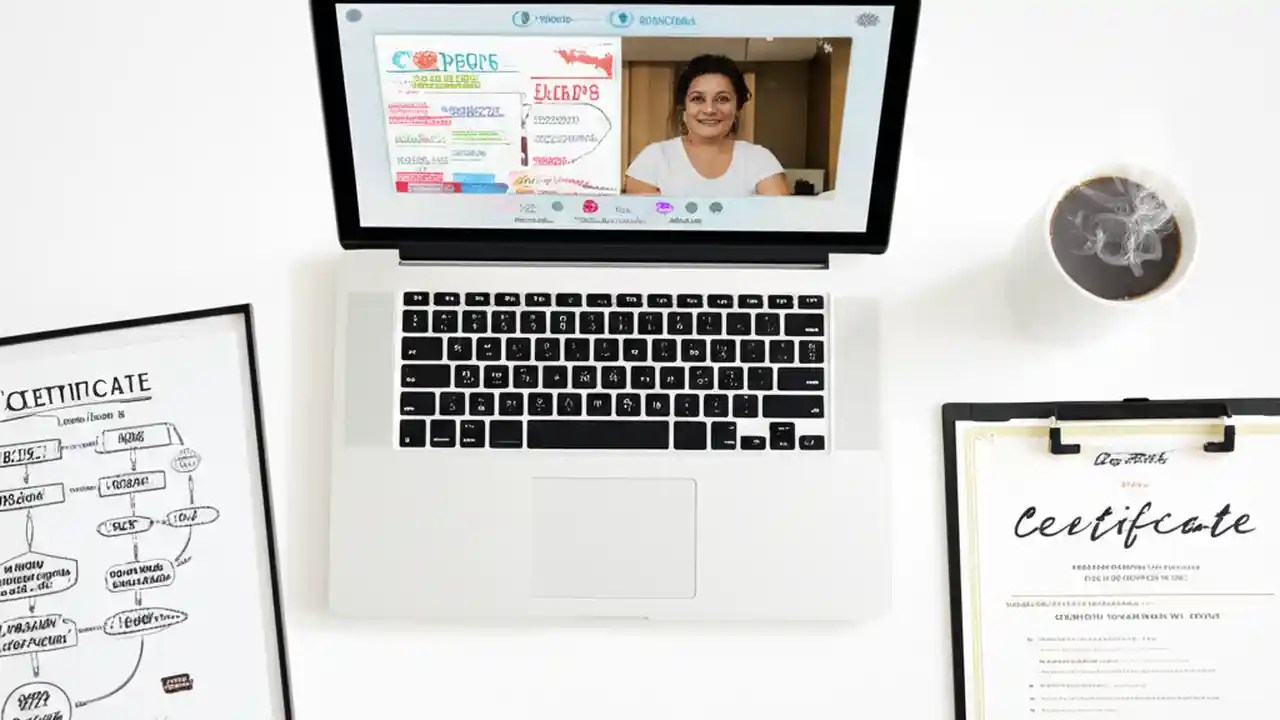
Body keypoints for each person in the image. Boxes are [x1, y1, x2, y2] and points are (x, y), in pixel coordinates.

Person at [624, 54, 790, 196]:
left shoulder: (760, 160)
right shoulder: (654, 159)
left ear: (737, 107)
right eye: (698, 99)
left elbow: (780, 223)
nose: (710, 109)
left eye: (722, 99)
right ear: (684, 107)